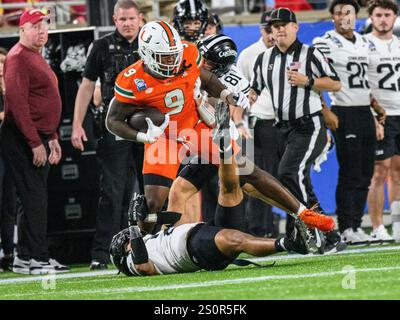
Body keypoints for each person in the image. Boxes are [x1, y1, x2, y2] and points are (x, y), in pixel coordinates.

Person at [109, 103, 312, 277]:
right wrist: (134, 229)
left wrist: (146, 217)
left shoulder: (147, 240)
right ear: (124, 253)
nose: (131, 239)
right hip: (190, 250)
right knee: (235, 239)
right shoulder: (133, 261)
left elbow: (169, 217)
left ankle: (222, 148)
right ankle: (290, 244)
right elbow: (144, 267)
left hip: (190, 233)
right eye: (127, 241)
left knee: (229, 188)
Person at [106, 20, 250, 232]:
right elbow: (114, 119)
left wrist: (230, 104)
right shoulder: (138, 76)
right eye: (209, 63)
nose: (172, 61)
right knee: (162, 197)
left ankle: (222, 231)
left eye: (175, 55)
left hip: (201, 127)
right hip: (168, 134)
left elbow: (213, 89)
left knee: (239, 175)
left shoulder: (191, 56)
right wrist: (144, 136)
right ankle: (158, 238)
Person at [250, 8, 341, 248]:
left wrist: (308, 81)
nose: (279, 29)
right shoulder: (264, 59)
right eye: (275, 25)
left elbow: (335, 83)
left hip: (308, 126)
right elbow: (253, 90)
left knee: (290, 173)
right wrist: (237, 105)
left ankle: (321, 230)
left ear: (295, 27)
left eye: (284, 24)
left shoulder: (310, 54)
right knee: (293, 180)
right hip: (282, 129)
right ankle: (314, 233)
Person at [71, 0, 145, 270]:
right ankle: (101, 254)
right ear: (114, 20)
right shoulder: (101, 46)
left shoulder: (152, 42)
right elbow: (87, 85)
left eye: (131, 19)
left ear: (141, 19)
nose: (127, 23)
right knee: (111, 192)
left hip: (148, 127)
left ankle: (152, 247)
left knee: (151, 190)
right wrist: (77, 124)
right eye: (122, 19)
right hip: (114, 128)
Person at [1, 9, 69, 275]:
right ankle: (39, 258)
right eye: (35, 26)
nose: (42, 31)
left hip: (36, 135)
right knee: (34, 198)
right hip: (21, 136)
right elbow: (17, 106)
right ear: (22, 30)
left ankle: (24, 257)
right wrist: (33, 142)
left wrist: (50, 137)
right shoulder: (18, 57)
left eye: (44, 27)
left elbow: (40, 100)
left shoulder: (33, 55)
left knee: (31, 198)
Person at [313, 0, 386, 245]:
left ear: (356, 16)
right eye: (340, 12)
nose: (345, 17)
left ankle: (356, 224)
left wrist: (375, 108)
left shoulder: (365, 41)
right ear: (332, 16)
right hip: (343, 111)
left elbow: (366, 80)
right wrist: (325, 111)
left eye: (349, 12)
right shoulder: (325, 42)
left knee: (366, 171)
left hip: (364, 111)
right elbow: (313, 80)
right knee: (350, 171)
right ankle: (347, 226)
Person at [237, 11, 281, 238]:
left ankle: (277, 226)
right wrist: (240, 122)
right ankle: (258, 228)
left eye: (275, 29)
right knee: (260, 177)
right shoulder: (249, 55)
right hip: (258, 122)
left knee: (286, 175)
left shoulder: (287, 52)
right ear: (261, 30)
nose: (272, 35)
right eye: (268, 29)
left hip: (285, 121)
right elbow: (239, 93)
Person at [365, 0, 399, 242]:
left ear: (395, 17)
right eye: (379, 15)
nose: (383, 19)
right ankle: (377, 226)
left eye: (387, 14)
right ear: (371, 18)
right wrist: (373, 115)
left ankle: (396, 224)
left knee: (398, 172)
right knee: (379, 172)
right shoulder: (363, 45)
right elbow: (360, 84)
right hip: (381, 114)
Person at [0, 47, 17, 272]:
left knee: (10, 201)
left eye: (4, 61)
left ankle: (10, 251)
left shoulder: (14, 85)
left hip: (12, 149)